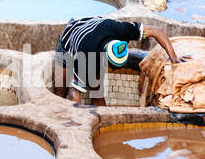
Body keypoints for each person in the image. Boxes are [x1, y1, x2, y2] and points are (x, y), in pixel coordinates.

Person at [55, 15, 183, 105]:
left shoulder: (121, 30)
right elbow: (74, 94)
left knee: (97, 91)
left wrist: (174, 58)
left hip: (95, 27)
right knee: (60, 93)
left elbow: (157, 31)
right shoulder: (87, 56)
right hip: (69, 39)